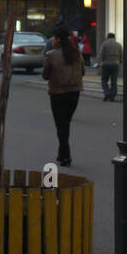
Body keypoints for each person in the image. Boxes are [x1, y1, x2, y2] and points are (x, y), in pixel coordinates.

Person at [41, 24, 84, 167]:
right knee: (65, 124)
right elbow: (82, 71)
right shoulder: (76, 52)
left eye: (54, 37)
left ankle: (66, 156)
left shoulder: (51, 55)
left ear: (57, 39)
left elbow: (45, 76)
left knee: (61, 126)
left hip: (58, 94)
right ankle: (62, 154)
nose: (52, 39)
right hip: (75, 93)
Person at [97, 31, 122, 102]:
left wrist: (98, 63)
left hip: (106, 64)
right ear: (114, 37)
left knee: (104, 80)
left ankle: (107, 92)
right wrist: (120, 61)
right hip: (115, 64)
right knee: (114, 81)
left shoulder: (104, 44)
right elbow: (121, 55)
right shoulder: (118, 44)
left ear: (107, 37)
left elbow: (101, 54)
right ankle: (112, 96)